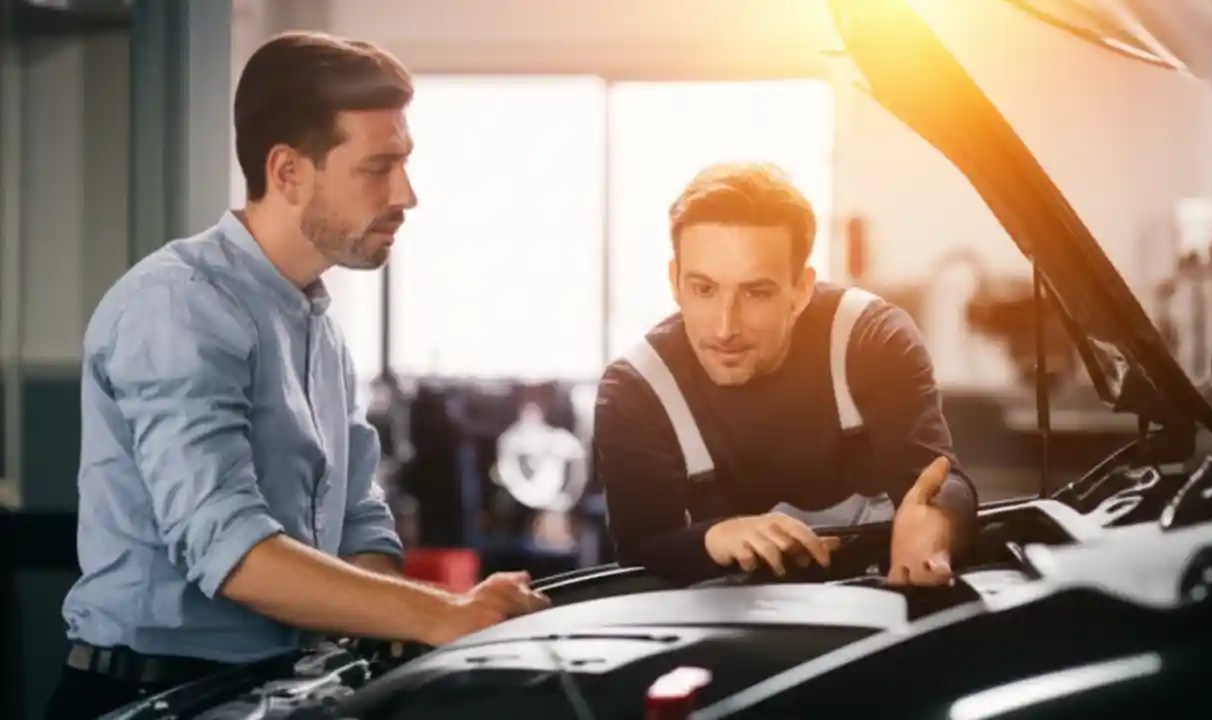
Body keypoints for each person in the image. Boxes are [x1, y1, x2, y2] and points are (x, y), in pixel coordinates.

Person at [46, 31, 547, 719]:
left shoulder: (318, 322)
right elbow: (234, 553)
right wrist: (442, 614)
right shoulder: (179, 305)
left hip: (273, 690)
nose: (407, 193)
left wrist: (413, 618)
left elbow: (358, 523)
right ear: (287, 173)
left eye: (405, 162)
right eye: (378, 167)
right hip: (152, 696)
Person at [594, 163, 977, 586]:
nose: (725, 328)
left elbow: (939, 482)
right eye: (703, 289)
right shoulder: (636, 389)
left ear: (800, 289)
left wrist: (934, 529)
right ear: (674, 281)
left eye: (756, 292)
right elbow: (639, 549)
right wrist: (715, 537)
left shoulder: (871, 341)